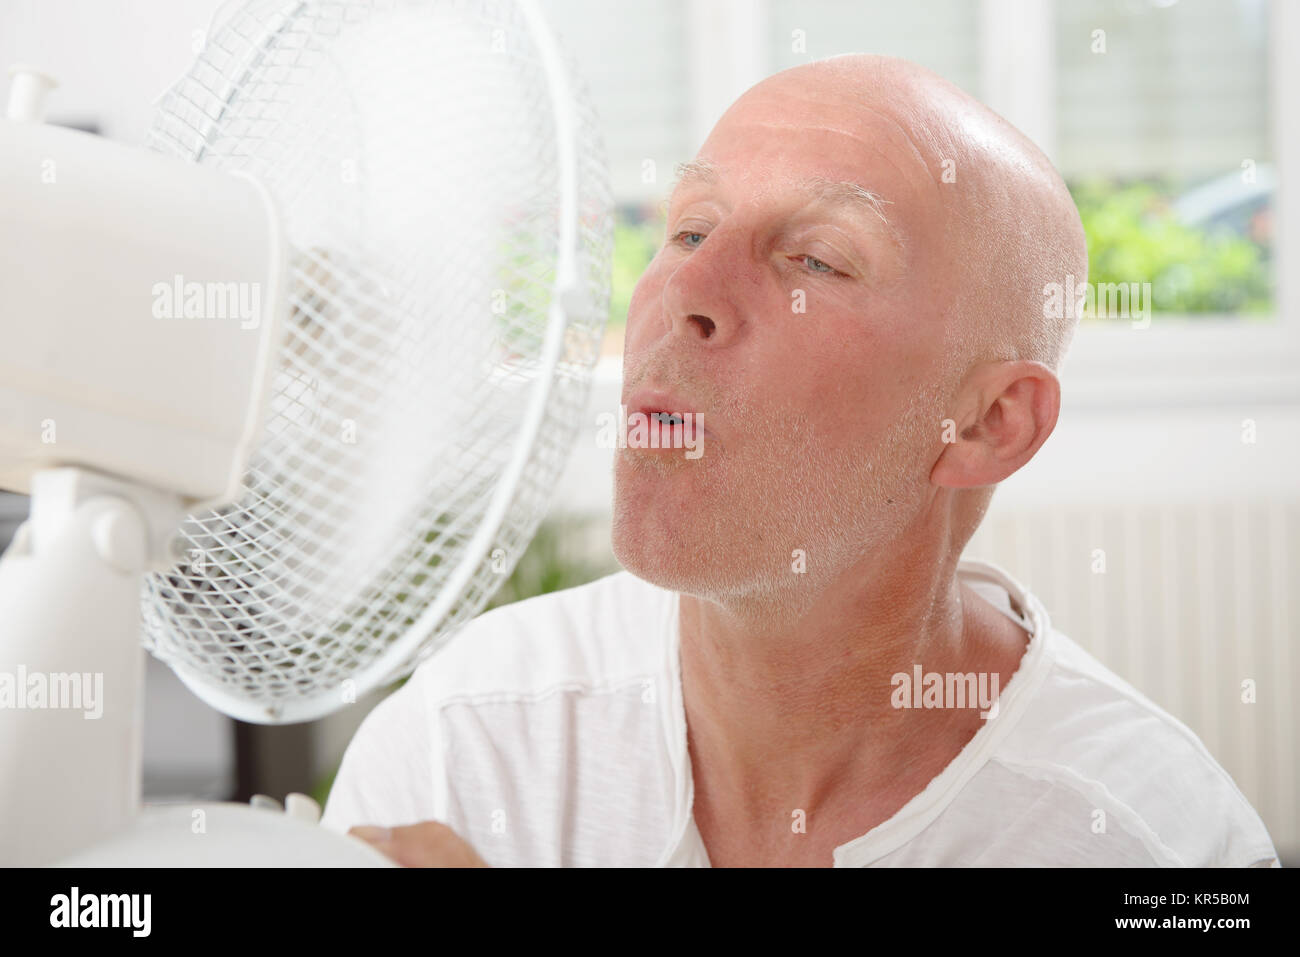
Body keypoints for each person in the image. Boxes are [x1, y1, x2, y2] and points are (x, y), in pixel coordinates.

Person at [320, 54, 1279, 867]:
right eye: (689, 229)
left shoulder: (1154, 841)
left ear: (988, 423)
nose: (683, 290)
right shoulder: (468, 744)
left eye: (815, 260)